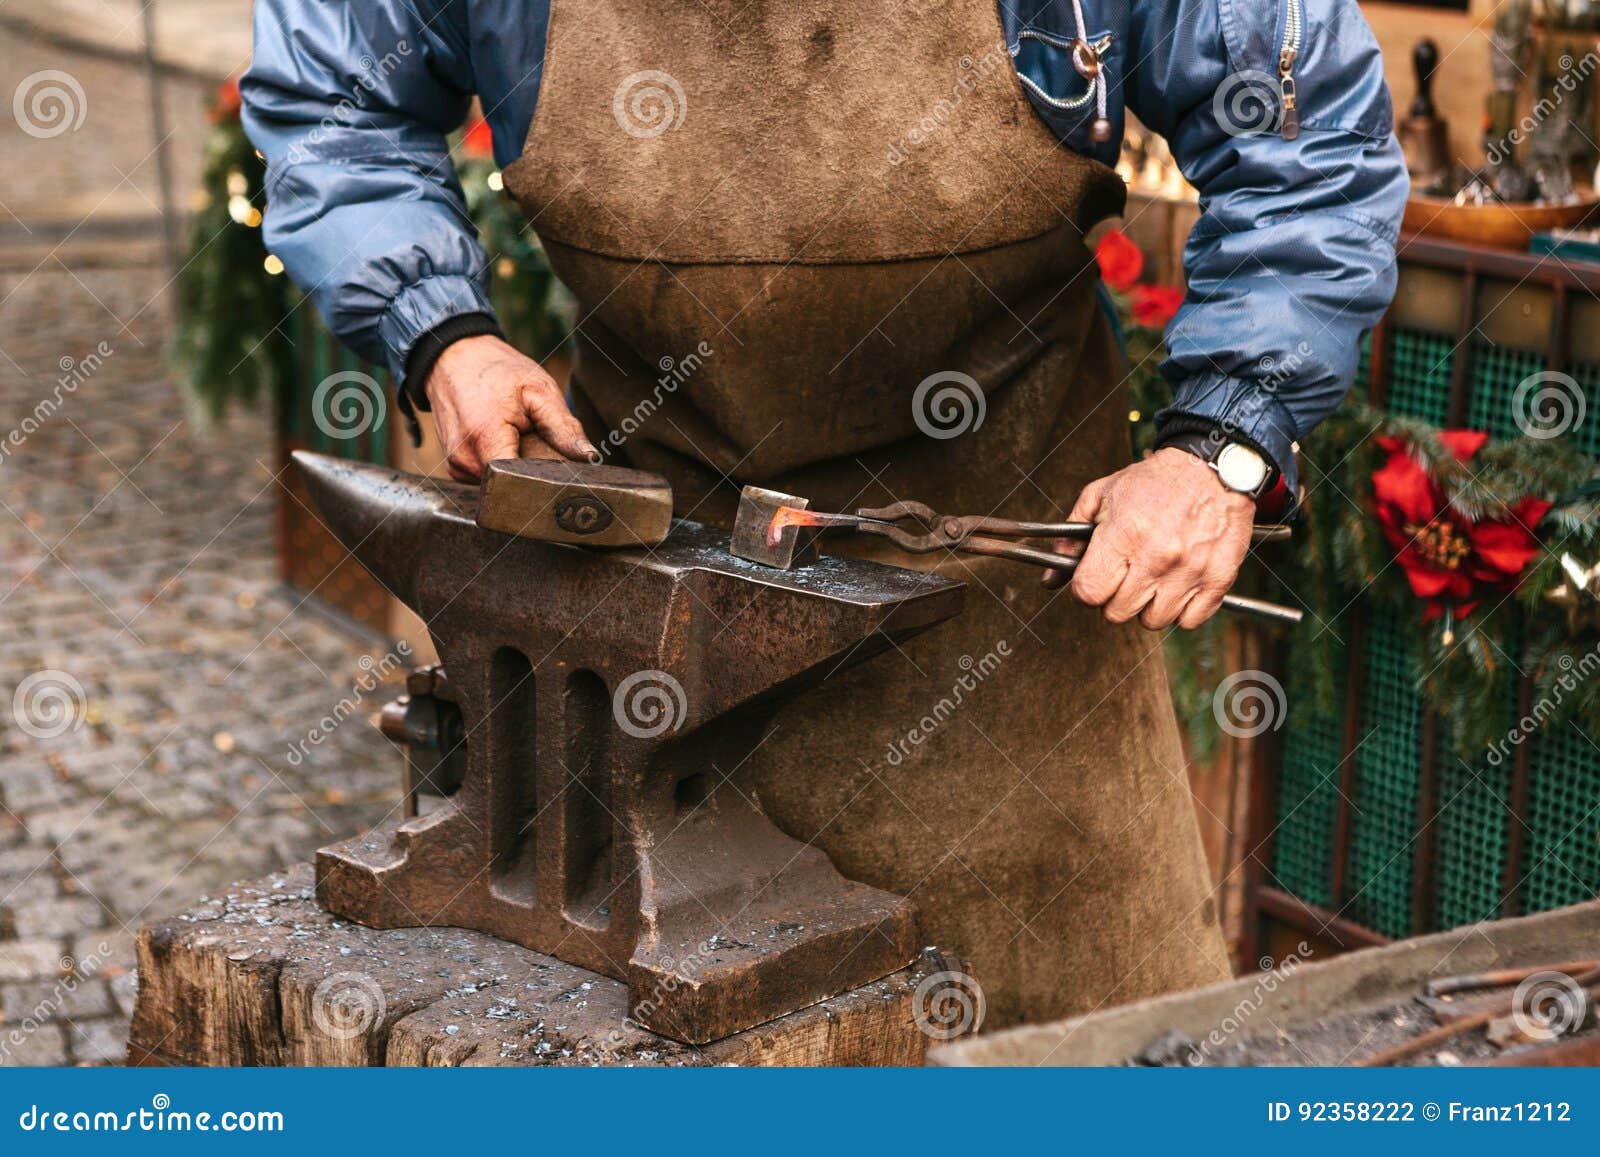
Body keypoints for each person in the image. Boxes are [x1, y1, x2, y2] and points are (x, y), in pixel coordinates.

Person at [243, 0, 1407, 1027]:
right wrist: (443, 332)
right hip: (648, 604)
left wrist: (1218, 448)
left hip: (1010, 626)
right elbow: (333, 102)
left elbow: (1308, 148)